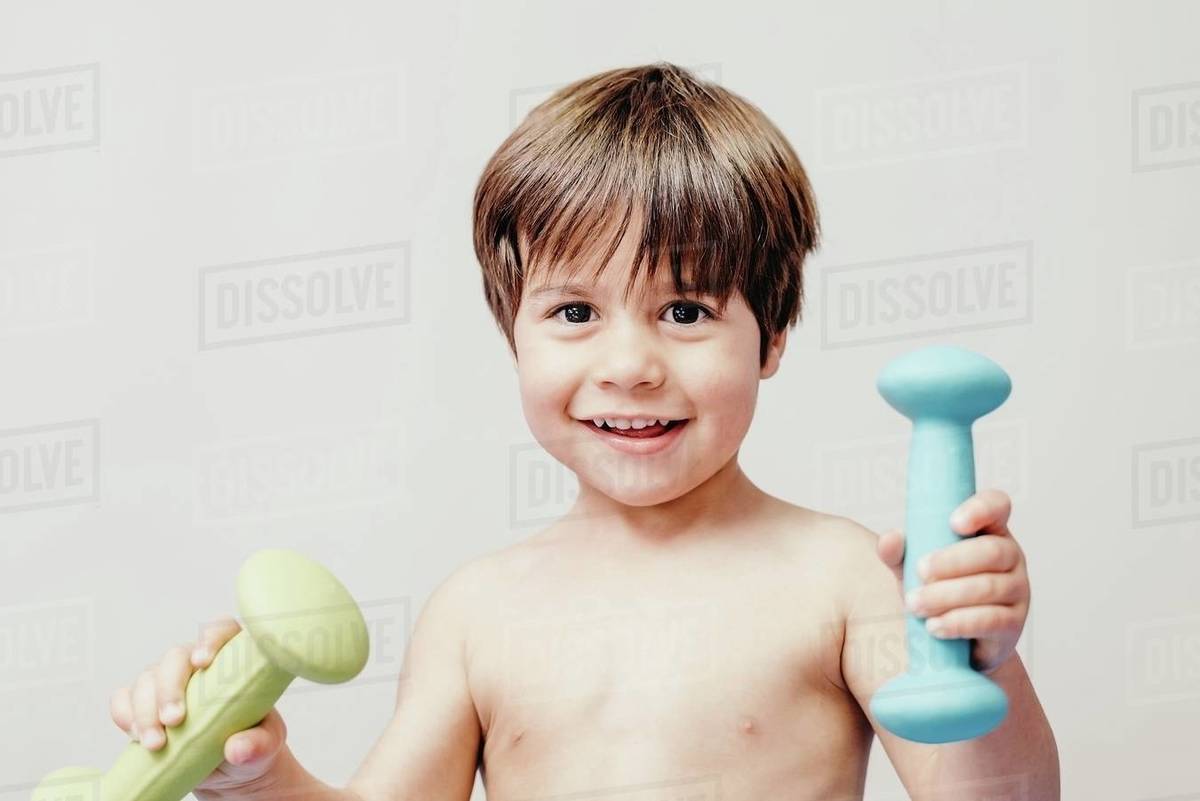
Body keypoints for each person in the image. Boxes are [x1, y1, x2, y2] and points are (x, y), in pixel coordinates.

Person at [110, 62, 1059, 800]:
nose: (630, 363)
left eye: (686, 311)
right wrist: (256, 776)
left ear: (771, 335)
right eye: (574, 314)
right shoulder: (477, 614)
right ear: (510, 332)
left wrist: (987, 664)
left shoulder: (843, 576)